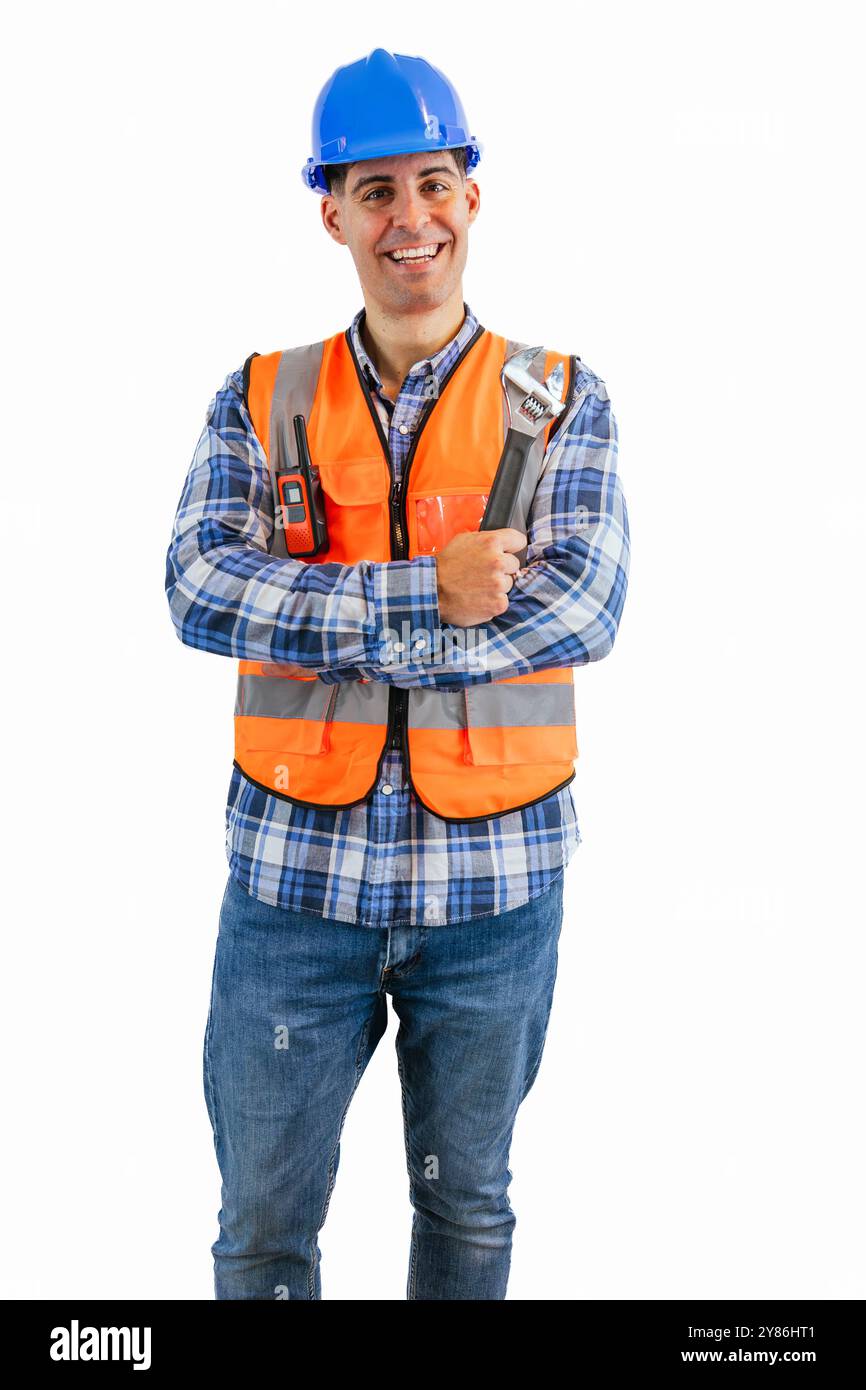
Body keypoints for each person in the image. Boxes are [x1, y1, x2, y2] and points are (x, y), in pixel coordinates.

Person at [165, 46, 630, 1300]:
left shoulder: (554, 400)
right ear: (331, 212)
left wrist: (318, 615)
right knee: (261, 1225)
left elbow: (580, 609)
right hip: (291, 893)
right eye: (374, 192)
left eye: (432, 183)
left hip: (493, 894)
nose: (408, 219)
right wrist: (427, 590)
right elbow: (200, 590)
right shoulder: (260, 400)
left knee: (466, 1211)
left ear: (472, 195)